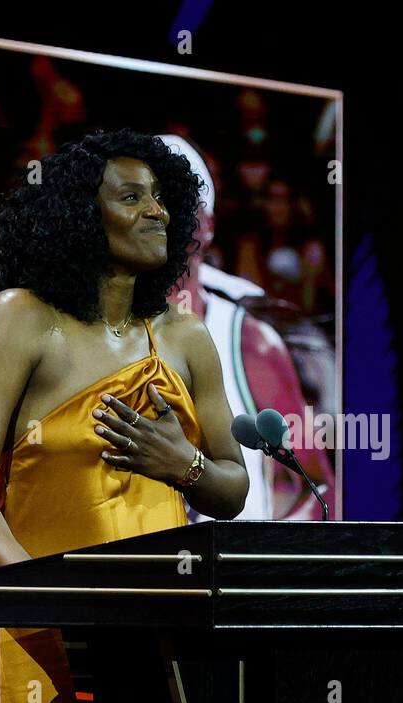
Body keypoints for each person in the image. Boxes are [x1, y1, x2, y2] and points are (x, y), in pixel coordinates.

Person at [0, 129, 249, 703]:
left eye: (163, 199)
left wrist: (187, 464)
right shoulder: (18, 319)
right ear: (81, 213)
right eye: (131, 196)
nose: (157, 213)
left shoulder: (185, 337)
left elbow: (232, 486)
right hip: (46, 634)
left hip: (165, 636)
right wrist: (41, 601)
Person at [159, 135, 334, 520]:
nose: (163, 218)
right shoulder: (93, 332)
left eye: (177, 204)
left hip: (230, 575)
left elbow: (316, 487)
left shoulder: (250, 341)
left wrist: (267, 559)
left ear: (207, 224)